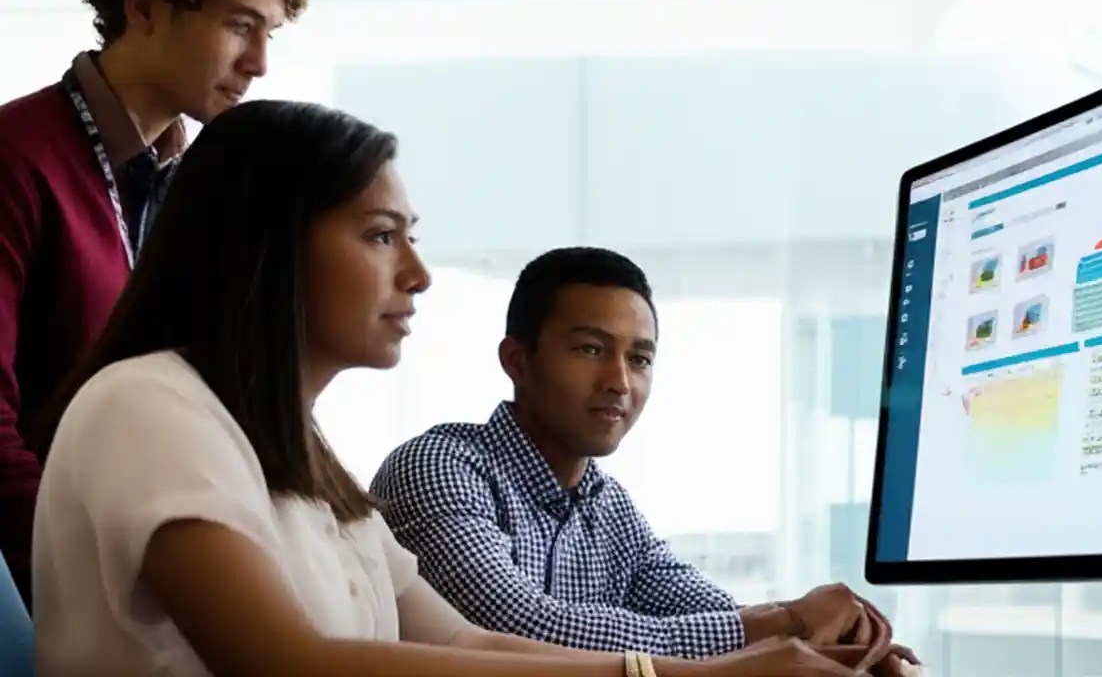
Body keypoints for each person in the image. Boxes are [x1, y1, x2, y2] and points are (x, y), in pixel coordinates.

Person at [31, 99, 885, 677]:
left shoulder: (301, 458)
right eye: (379, 236)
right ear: (266, 245)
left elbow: (465, 640)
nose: (418, 275)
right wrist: (698, 674)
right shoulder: (148, 405)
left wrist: (760, 643)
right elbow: (289, 664)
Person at [370, 247, 920, 676]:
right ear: (517, 360)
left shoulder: (609, 507)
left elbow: (705, 610)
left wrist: (847, 644)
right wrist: (788, 623)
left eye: (640, 358)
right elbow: (514, 625)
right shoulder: (438, 465)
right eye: (589, 349)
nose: (619, 382)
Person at [0, 0, 313, 608]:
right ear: (144, 7)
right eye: (238, 25)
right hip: (67, 591)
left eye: (269, 34)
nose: (259, 62)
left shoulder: (200, 189)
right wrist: (92, 578)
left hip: (160, 564)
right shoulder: (15, 159)